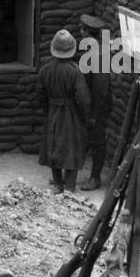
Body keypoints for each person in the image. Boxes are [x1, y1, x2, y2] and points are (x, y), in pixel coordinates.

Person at [37, 29, 90, 193]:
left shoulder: (45, 70)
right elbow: (82, 98)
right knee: (71, 148)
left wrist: (47, 111)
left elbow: (40, 95)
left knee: (53, 146)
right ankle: (70, 187)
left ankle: (58, 184)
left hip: (53, 111)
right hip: (70, 114)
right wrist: (85, 117)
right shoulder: (75, 72)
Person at [78, 14, 113, 190]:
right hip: (90, 104)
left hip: (97, 107)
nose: (80, 32)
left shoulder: (98, 54)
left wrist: (93, 113)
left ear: (86, 32)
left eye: (81, 29)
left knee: (98, 141)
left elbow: (100, 89)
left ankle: (95, 178)